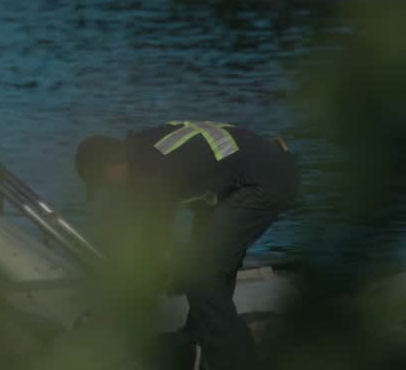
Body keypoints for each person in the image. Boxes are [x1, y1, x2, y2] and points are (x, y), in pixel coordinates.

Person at [75, 121, 298, 370]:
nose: (113, 190)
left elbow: (153, 242)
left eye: (105, 184)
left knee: (203, 278)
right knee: (206, 266)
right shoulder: (149, 146)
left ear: (110, 168)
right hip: (251, 176)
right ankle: (198, 337)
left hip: (262, 182)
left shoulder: (150, 170)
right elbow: (206, 187)